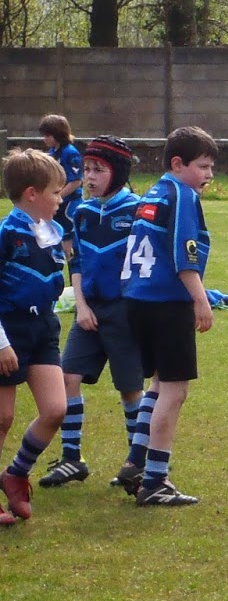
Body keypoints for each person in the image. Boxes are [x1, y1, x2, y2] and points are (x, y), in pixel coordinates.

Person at [117, 126, 219, 507]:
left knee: (159, 383)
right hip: (166, 301)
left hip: (137, 299)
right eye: (203, 166)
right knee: (175, 390)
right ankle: (156, 479)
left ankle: (135, 463)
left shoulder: (152, 193)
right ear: (178, 164)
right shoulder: (182, 195)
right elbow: (184, 254)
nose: (209, 175)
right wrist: (201, 300)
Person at [40, 137, 145, 489]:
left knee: (129, 388)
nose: (89, 177)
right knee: (67, 377)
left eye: (98, 170)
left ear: (119, 173)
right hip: (89, 310)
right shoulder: (82, 212)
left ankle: (136, 463)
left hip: (125, 312)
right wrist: (82, 305)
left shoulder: (137, 210)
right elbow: (78, 263)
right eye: (86, 169)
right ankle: (72, 458)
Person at [0, 149, 69, 526]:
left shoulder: (52, 231)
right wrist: (1, 343)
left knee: (56, 409)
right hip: (8, 331)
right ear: (31, 194)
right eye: (55, 192)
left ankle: (15, 473)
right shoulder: (7, 233)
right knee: (3, 418)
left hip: (43, 329)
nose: (60, 199)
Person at [38, 114, 83, 239]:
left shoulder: (70, 153)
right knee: (55, 232)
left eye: (47, 136)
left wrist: (58, 196)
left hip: (70, 202)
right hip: (59, 201)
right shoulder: (53, 151)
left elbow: (76, 181)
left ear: (57, 135)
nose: (44, 139)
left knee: (68, 234)